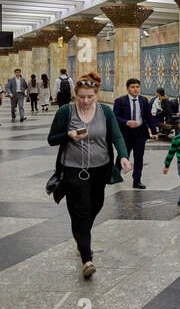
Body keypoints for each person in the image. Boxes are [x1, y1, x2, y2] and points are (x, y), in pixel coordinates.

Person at [46, 72, 132, 277]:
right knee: (81, 211)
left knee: (96, 205)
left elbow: (116, 135)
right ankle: (86, 257)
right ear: (76, 94)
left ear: (96, 94)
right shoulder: (66, 112)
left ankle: (82, 234)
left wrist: (123, 155)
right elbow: (51, 139)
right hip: (74, 170)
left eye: (90, 97)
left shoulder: (105, 112)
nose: (85, 101)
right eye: (81, 97)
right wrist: (68, 135)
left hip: (100, 169)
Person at [113, 78, 153, 189]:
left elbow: (148, 116)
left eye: (137, 87)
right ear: (127, 88)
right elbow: (114, 117)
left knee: (139, 157)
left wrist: (153, 131)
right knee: (123, 155)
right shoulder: (120, 101)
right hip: (125, 133)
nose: (135, 89)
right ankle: (115, 175)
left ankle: (137, 181)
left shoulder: (144, 100)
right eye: (132, 87)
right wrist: (126, 122)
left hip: (140, 133)